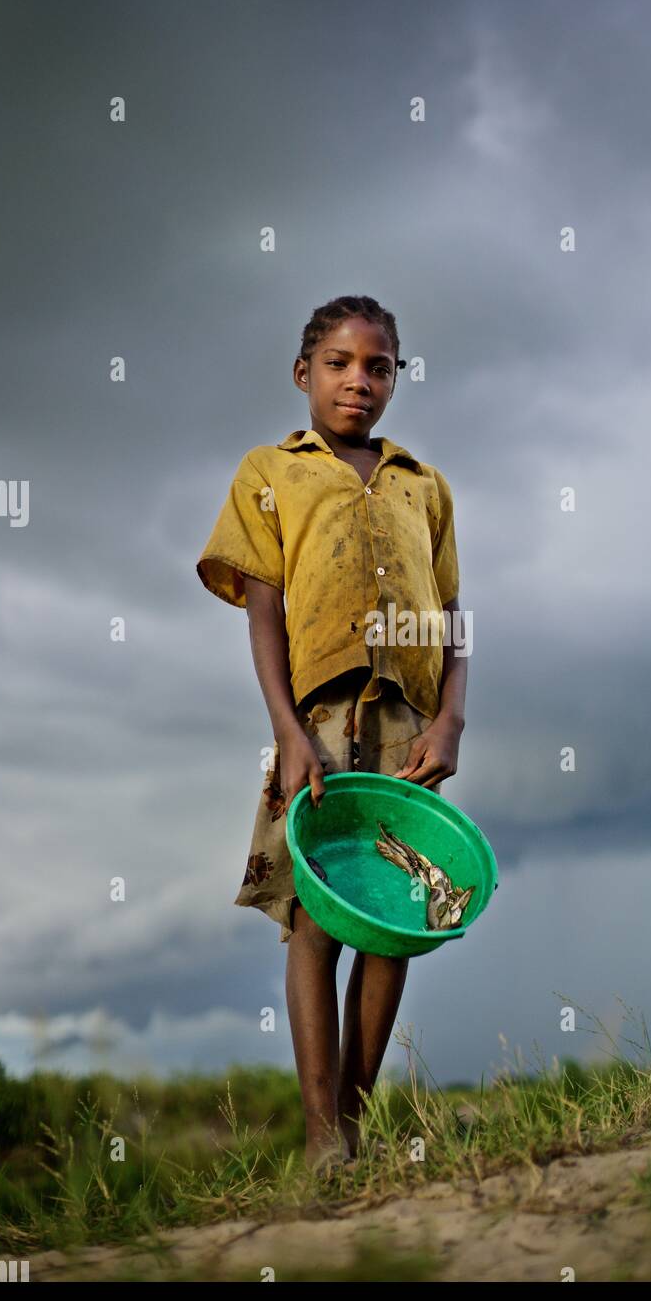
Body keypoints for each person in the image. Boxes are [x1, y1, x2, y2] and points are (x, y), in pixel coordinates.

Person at [196, 294, 467, 1174]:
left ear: (396, 377)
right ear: (303, 373)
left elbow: (452, 614)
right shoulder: (271, 470)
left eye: (379, 365)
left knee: (393, 921)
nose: (360, 380)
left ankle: (354, 1128)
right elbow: (263, 611)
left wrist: (452, 717)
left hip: (408, 723)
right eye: (341, 363)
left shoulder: (423, 483)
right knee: (316, 922)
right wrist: (287, 733)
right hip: (315, 721)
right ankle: (321, 1140)